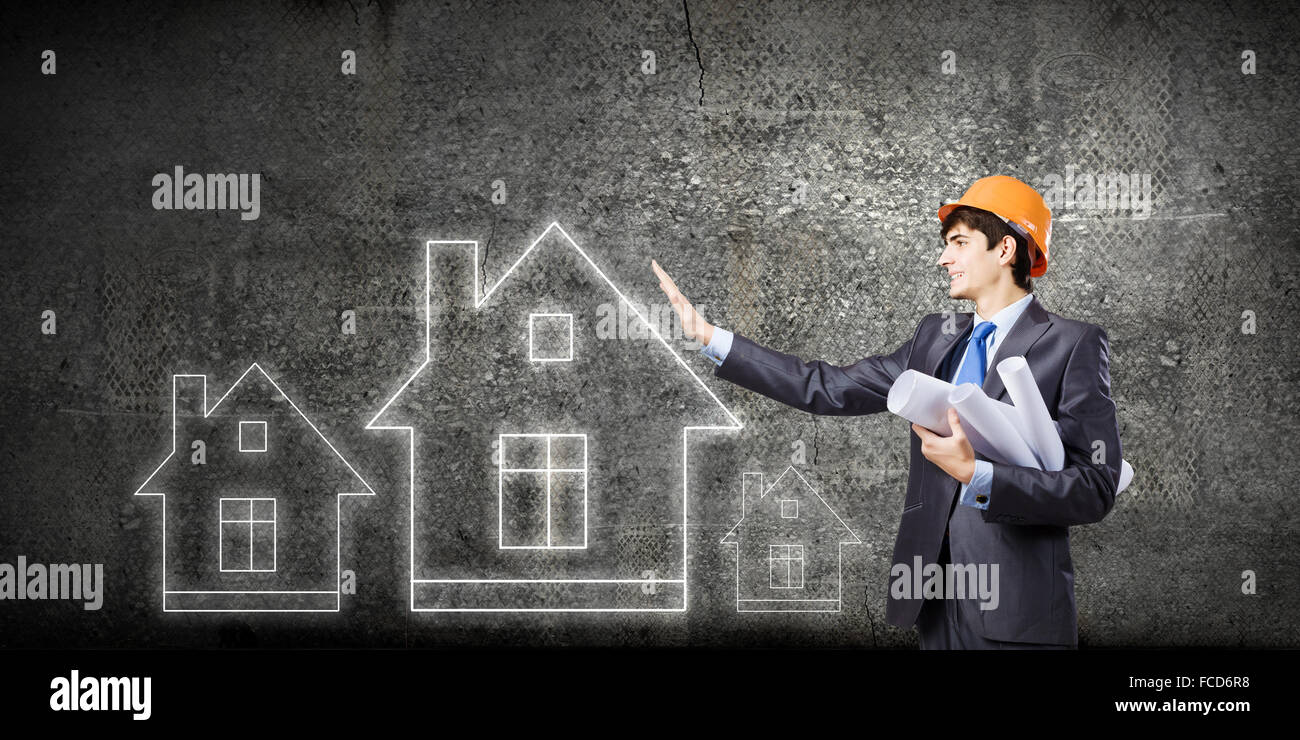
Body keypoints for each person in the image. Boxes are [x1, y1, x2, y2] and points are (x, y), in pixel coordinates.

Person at [652, 175, 1122, 649]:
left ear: (1004, 250)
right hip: (933, 598)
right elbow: (827, 387)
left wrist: (978, 474)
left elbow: (1096, 487)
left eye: (959, 243)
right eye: (946, 245)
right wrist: (712, 338)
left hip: (1018, 607)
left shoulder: (1072, 344)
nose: (944, 258)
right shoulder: (934, 338)